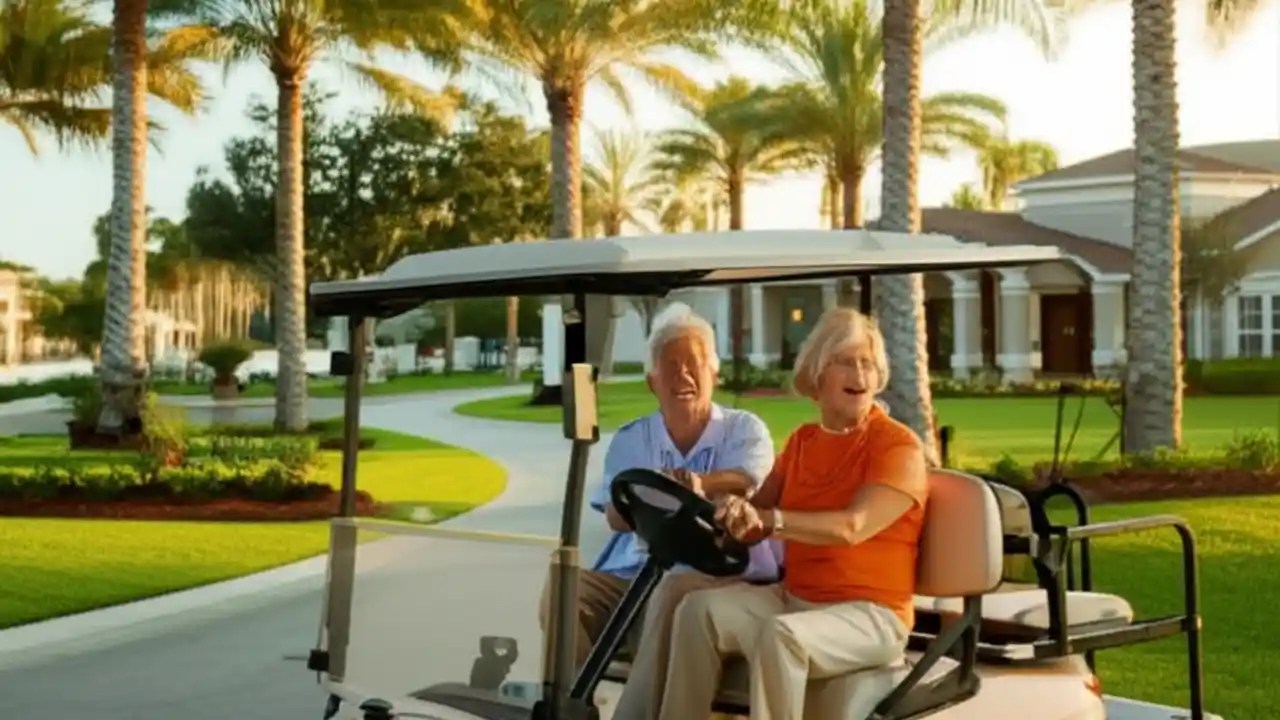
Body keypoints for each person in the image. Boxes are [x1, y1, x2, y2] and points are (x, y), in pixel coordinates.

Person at [654, 307, 930, 720]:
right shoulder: (803, 442)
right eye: (844, 361)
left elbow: (852, 527)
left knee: (781, 637)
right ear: (817, 375)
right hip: (797, 599)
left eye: (867, 363)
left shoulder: (898, 446)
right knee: (699, 611)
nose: (859, 373)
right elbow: (754, 521)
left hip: (872, 615)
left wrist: (771, 521)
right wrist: (730, 514)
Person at [536, 302, 780, 720]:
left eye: (694, 364)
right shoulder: (633, 439)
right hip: (635, 571)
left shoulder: (744, 429)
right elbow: (615, 516)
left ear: (713, 374)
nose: (683, 375)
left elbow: (746, 477)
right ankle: (570, 709)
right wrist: (650, 498)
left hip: (716, 570)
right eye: (670, 366)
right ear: (652, 382)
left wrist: (699, 485)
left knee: (671, 588)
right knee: (564, 589)